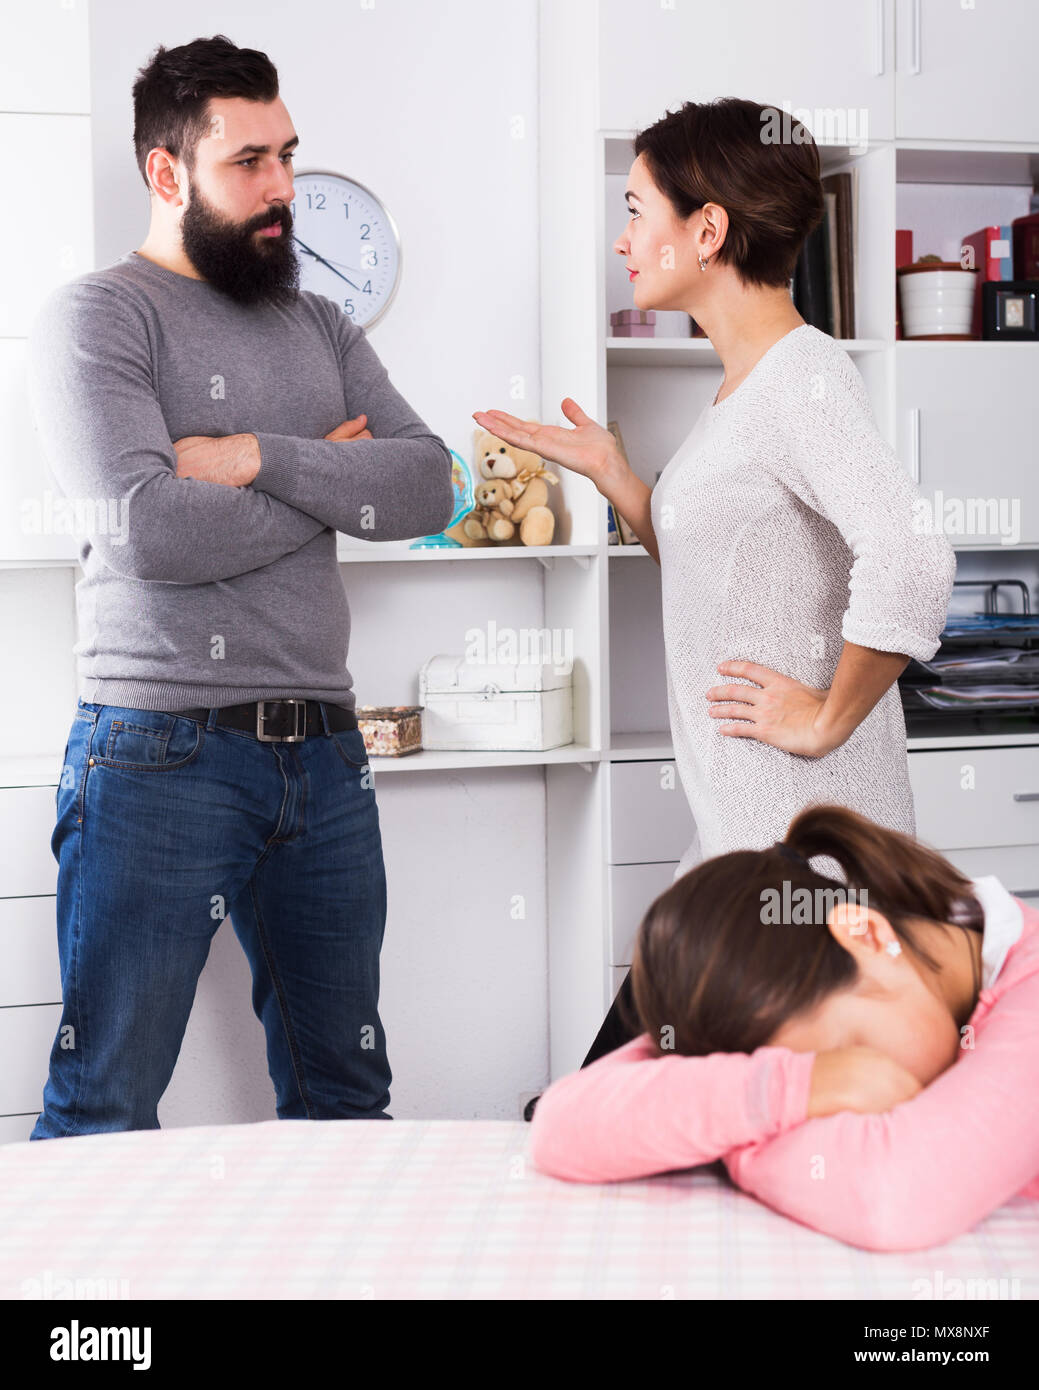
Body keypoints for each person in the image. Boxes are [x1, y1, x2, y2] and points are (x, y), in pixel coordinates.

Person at [473, 97, 956, 1087]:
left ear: (707, 229)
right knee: (601, 1115)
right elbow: (723, 575)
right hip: (736, 849)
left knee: (602, 1119)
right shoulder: (745, 390)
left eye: (637, 208)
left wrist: (823, 719)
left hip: (804, 865)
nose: (623, 236)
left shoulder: (802, 379)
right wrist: (620, 480)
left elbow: (911, 554)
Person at [26, 34, 454, 1137]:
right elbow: (149, 529)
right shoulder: (100, 318)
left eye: (288, 156)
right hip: (157, 753)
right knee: (104, 1105)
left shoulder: (319, 321)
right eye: (249, 163)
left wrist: (258, 454)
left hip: (323, 751)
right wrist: (330, 472)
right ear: (166, 173)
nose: (282, 190)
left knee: (347, 1100)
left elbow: (425, 487)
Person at [527, 803, 1039, 1251]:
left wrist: (726, 1143)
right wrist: (790, 1089)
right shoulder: (892, 962)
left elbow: (897, 1195)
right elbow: (563, 1123)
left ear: (866, 935)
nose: (851, 1101)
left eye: (852, 1054)